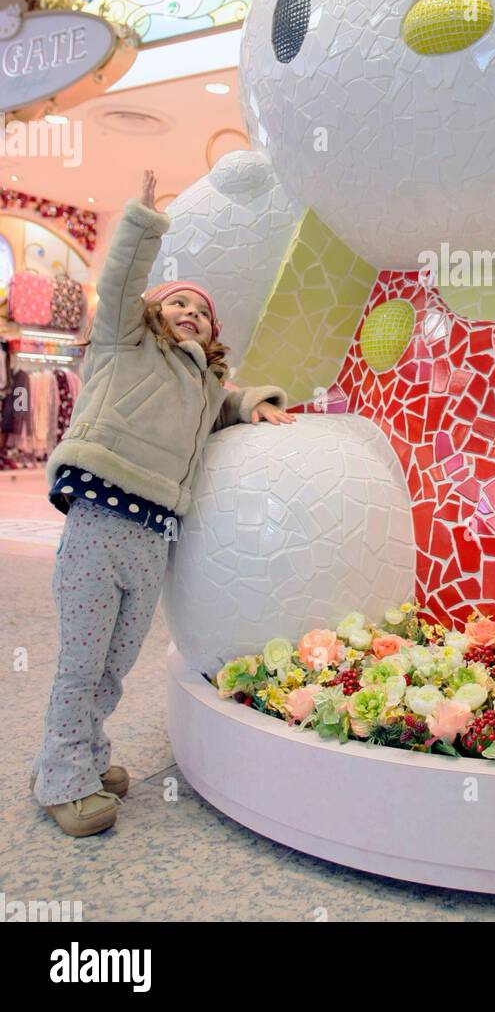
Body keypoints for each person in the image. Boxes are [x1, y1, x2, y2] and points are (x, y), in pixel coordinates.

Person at [30, 169, 294, 836]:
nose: (189, 313)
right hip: (99, 517)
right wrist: (143, 223)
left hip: (152, 534)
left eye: (201, 311)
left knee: (117, 664)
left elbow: (223, 403)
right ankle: (61, 779)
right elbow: (120, 280)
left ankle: (87, 756)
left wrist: (252, 400)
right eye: (176, 303)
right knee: (82, 660)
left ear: (211, 334)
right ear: (152, 311)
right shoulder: (125, 346)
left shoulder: (204, 384)